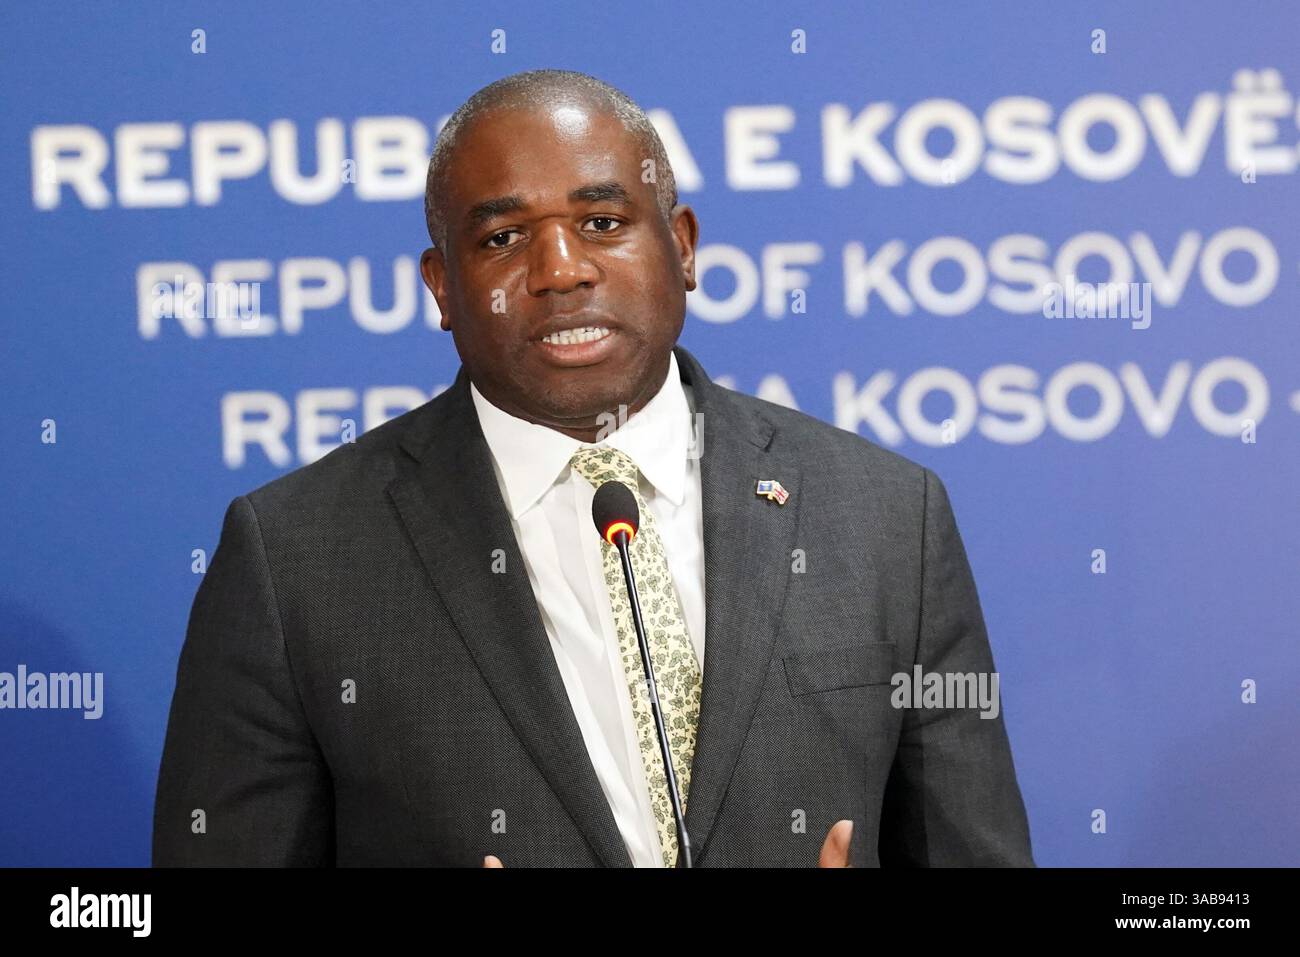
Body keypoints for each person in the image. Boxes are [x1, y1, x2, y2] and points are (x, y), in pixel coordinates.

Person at [153, 69, 1034, 868]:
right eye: (503, 237)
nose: (560, 270)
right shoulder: (295, 557)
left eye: (603, 223)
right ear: (442, 287)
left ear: (681, 247)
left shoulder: (885, 515)